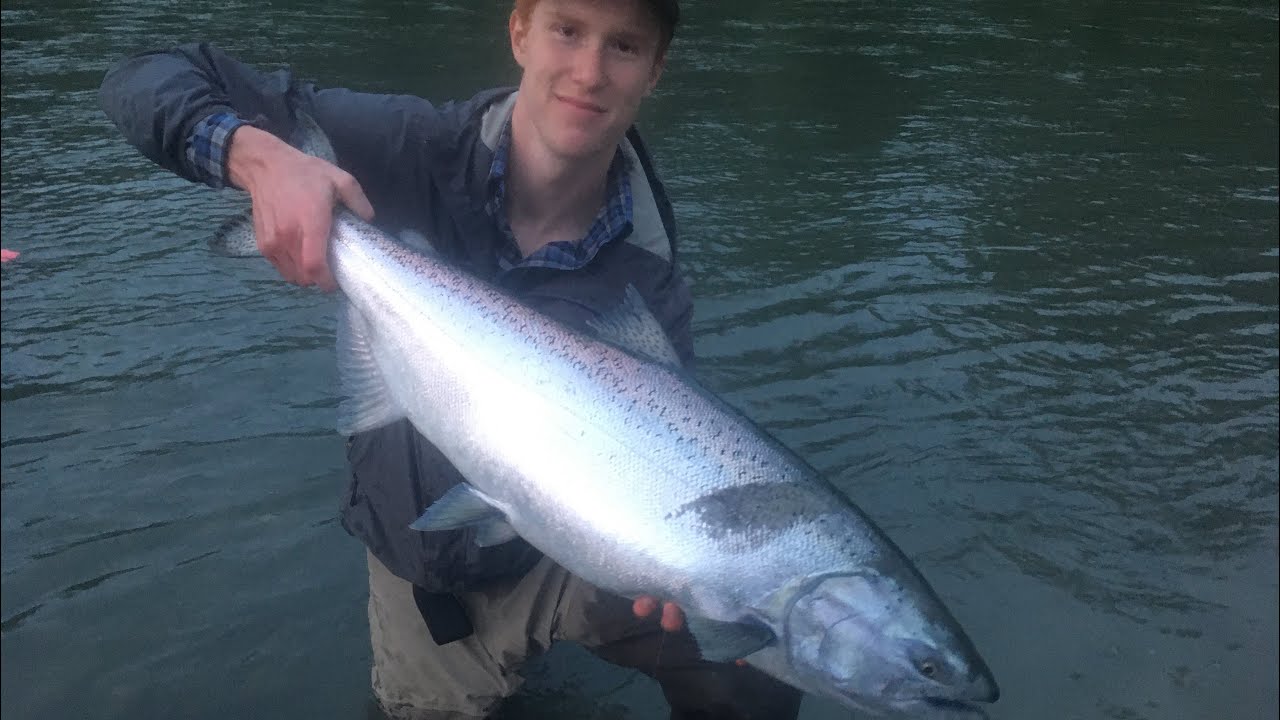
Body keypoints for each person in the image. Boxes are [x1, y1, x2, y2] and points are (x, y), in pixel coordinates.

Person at [99, 1, 805, 719]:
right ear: (520, 32)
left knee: (758, 672)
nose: (589, 72)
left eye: (623, 46)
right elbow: (143, 76)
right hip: (424, 572)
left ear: (654, 72)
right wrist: (261, 158)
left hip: (564, 550)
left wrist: (685, 575)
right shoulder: (408, 144)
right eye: (568, 30)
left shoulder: (649, 279)